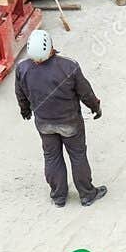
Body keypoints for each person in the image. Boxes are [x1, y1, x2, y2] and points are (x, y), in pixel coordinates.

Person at [14, 29, 107, 208]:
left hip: (44, 124)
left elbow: (20, 94)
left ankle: (58, 197)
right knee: (78, 156)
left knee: (51, 157)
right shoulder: (69, 67)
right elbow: (85, 93)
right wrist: (95, 107)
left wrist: (25, 110)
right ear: (50, 47)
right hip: (70, 123)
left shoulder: (22, 68)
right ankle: (87, 194)